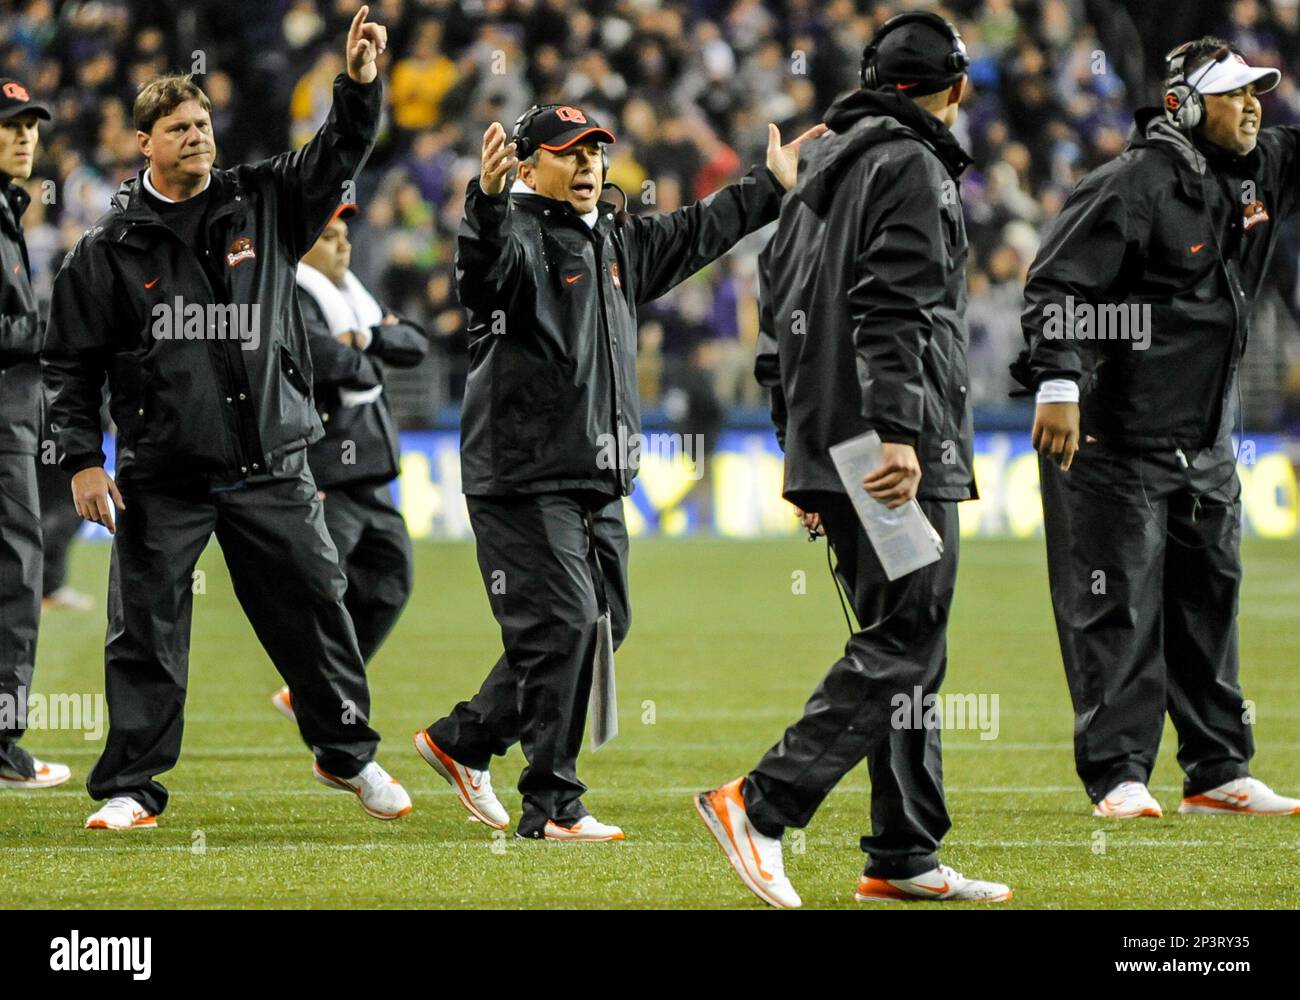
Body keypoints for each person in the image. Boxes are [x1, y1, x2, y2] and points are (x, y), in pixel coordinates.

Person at [42, 6, 413, 830]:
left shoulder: (268, 200)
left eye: (203, 124)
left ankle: (348, 755)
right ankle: (133, 787)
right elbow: (69, 365)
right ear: (144, 143)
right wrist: (80, 458)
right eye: (177, 128)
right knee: (145, 633)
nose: (197, 137)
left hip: (272, 459)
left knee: (318, 610)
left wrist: (356, 86)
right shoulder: (107, 252)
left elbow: (340, 152)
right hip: (163, 472)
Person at [414, 102, 824, 841]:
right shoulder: (513, 237)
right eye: (570, 154)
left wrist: (770, 185)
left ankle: (464, 739)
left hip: (595, 474)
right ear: (529, 165)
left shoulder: (614, 242)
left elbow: (700, 230)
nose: (588, 167)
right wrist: (483, 201)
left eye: (596, 153)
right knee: (568, 625)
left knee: (601, 626)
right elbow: (480, 275)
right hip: (522, 474)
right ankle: (553, 804)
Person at [695, 12, 1012, 908]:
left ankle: (903, 855)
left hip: (835, 444)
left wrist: (801, 446)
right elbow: (894, 305)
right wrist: (900, 433)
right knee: (909, 637)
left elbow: (777, 324)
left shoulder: (817, 176)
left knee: (906, 645)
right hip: (884, 450)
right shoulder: (912, 164)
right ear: (953, 89)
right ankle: (758, 805)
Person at [1015, 37, 1300, 819]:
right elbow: (1054, 287)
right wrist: (1060, 382)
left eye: (1258, 93)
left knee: (1209, 601)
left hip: (1205, 438)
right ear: (1182, 103)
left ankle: (1217, 769)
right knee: (1116, 607)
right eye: (1234, 93)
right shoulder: (1132, 184)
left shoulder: (1257, 168)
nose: (1253, 107)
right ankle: (1118, 775)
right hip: (1116, 439)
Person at [270, 202, 428, 721]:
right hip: (328, 468)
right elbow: (330, 362)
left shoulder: (351, 297)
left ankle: (314, 686)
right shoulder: (290, 293)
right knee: (321, 587)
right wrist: (369, 351)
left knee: (390, 579)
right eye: (330, 236)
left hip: (372, 470)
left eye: (345, 235)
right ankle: (319, 693)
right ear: (303, 247)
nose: (344, 245)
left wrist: (367, 338)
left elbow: (415, 343)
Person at [0, 77, 70, 790]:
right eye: (10, 126)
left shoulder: (7, 212)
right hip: (2, 425)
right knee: (16, 577)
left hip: (15, 418)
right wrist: (50, 326)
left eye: (31, 126)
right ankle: (0, 743)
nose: (24, 136)